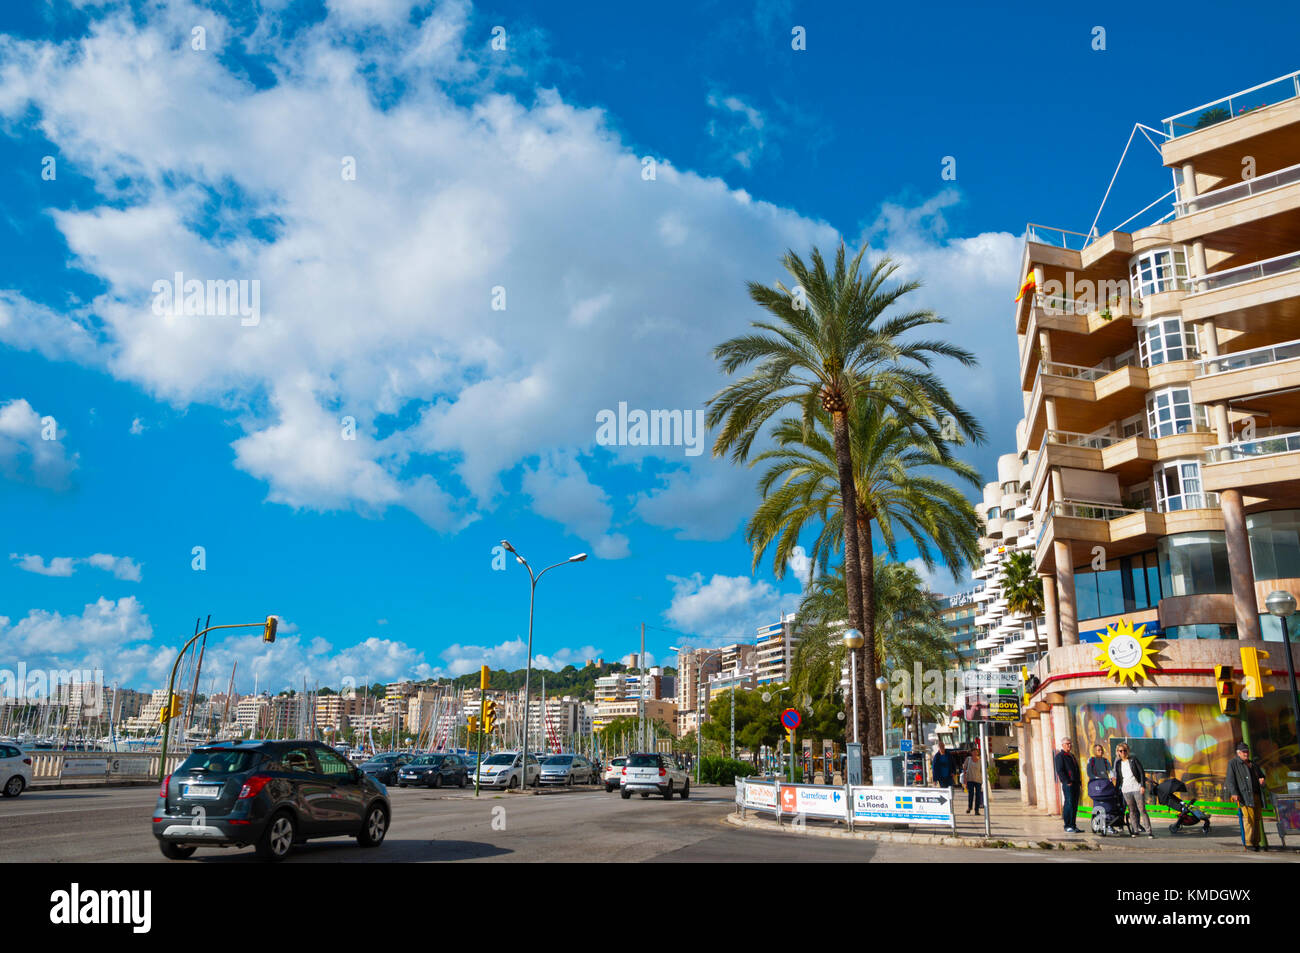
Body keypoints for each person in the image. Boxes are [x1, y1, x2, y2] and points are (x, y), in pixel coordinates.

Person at [1225, 741, 1267, 853]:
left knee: (1257, 819)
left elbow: (1262, 776)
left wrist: (1262, 780)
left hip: (1257, 795)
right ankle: (1249, 843)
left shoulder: (1253, 764)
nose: (1246, 753)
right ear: (1238, 753)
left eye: (1247, 751)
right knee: (1249, 819)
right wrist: (1234, 793)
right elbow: (1230, 780)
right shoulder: (1233, 763)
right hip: (1244, 796)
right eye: (1244, 752)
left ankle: (1256, 842)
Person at [1115, 743, 1153, 837]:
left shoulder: (1133, 760)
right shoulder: (1118, 763)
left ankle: (1149, 831)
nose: (1123, 752)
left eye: (1124, 750)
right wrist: (1116, 789)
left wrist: (1142, 786)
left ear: (1127, 751)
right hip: (1126, 789)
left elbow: (1141, 773)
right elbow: (1119, 778)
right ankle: (1135, 830)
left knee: (1142, 809)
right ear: (1118, 752)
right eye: (1121, 751)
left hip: (1136, 787)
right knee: (1132, 810)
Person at [1054, 738, 1082, 833]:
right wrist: (1067, 781)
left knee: (1074, 805)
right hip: (1068, 784)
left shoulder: (1072, 756)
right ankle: (1068, 825)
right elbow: (1060, 770)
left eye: (1070, 744)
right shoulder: (1060, 756)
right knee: (1069, 803)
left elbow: (1076, 770)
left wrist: (1079, 781)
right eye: (1067, 744)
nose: (1069, 745)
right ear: (1063, 745)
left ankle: (1073, 825)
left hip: (1075, 783)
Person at [962, 745, 983, 815]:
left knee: (978, 795)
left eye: (976, 752)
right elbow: (964, 769)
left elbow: (982, 771)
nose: (974, 753)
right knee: (970, 794)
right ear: (971, 753)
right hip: (970, 779)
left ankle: (976, 810)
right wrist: (965, 778)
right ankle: (969, 807)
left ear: (977, 753)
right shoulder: (968, 759)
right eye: (973, 752)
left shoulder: (980, 761)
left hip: (978, 780)